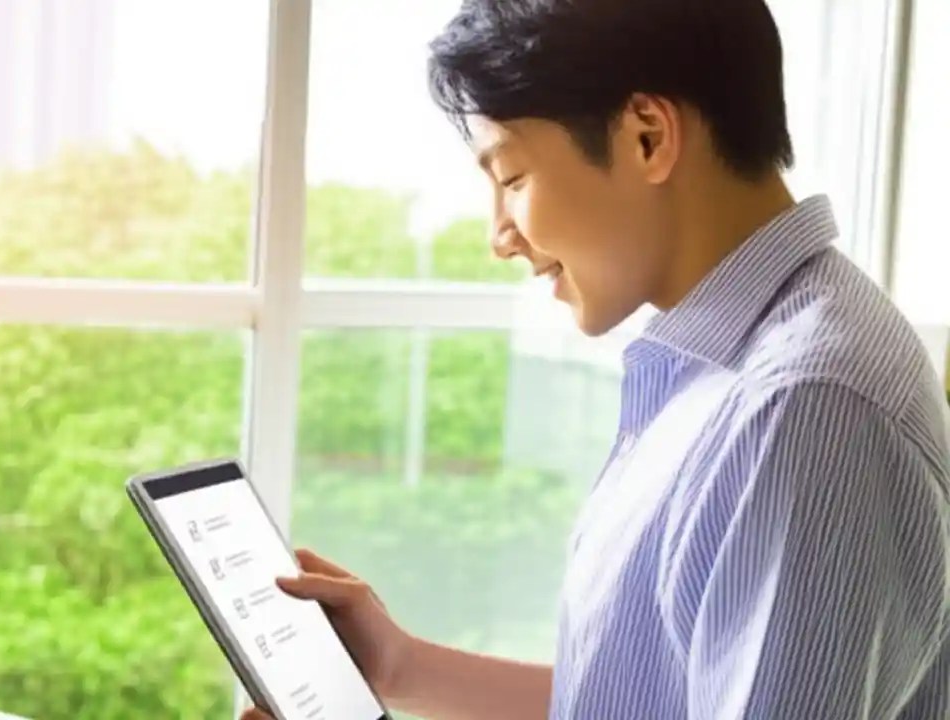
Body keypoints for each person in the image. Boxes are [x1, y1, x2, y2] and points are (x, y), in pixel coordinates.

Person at [244, 0, 950, 718]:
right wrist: (402, 667)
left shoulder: (805, 408)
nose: (500, 235)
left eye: (512, 179)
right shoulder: (719, 367)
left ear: (648, 136)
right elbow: (642, 698)